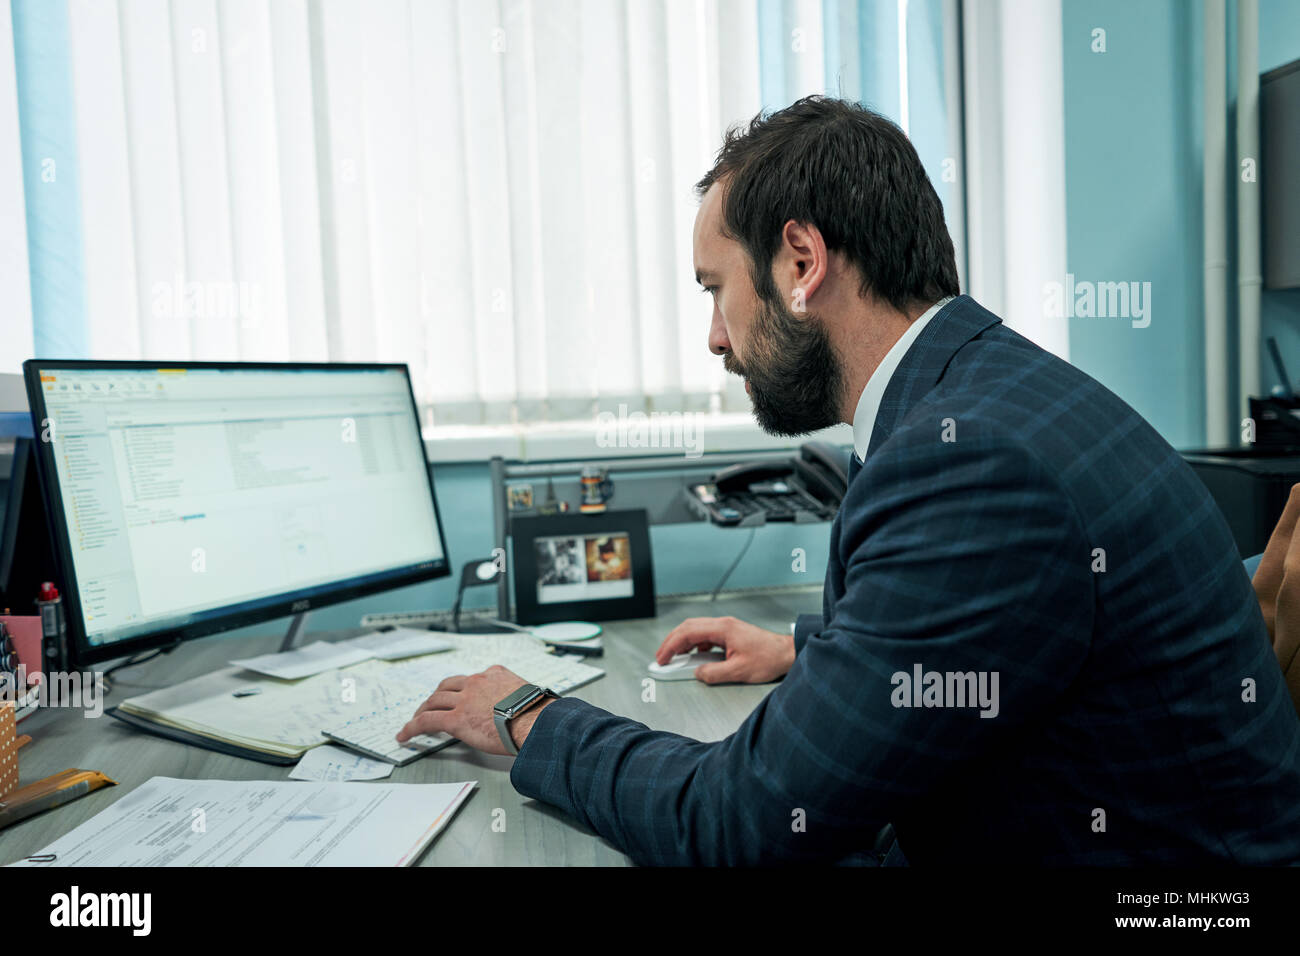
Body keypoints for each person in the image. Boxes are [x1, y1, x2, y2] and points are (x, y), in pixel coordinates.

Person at [397, 96, 1300, 865]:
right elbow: (1009, 615)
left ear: (801, 262)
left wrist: (527, 716)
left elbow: (742, 819)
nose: (714, 337)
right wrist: (815, 648)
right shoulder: (992, 392)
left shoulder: (965, 460)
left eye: (716, 289)